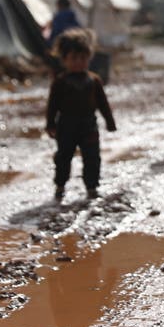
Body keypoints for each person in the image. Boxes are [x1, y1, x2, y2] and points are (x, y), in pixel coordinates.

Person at [45, 28, 116, 201]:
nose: (79, 62)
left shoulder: (94, 80)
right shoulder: (60, 82)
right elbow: (52, 105)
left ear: (89, 58)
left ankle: (92, 188)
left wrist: (110, 121)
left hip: (88, 125)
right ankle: (60, 185)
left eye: (83, 58)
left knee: (92, 158)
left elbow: (103, 103)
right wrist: (50, 124)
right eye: (74, 58)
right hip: (66, 126)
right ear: (64, 59)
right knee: (63, 157)